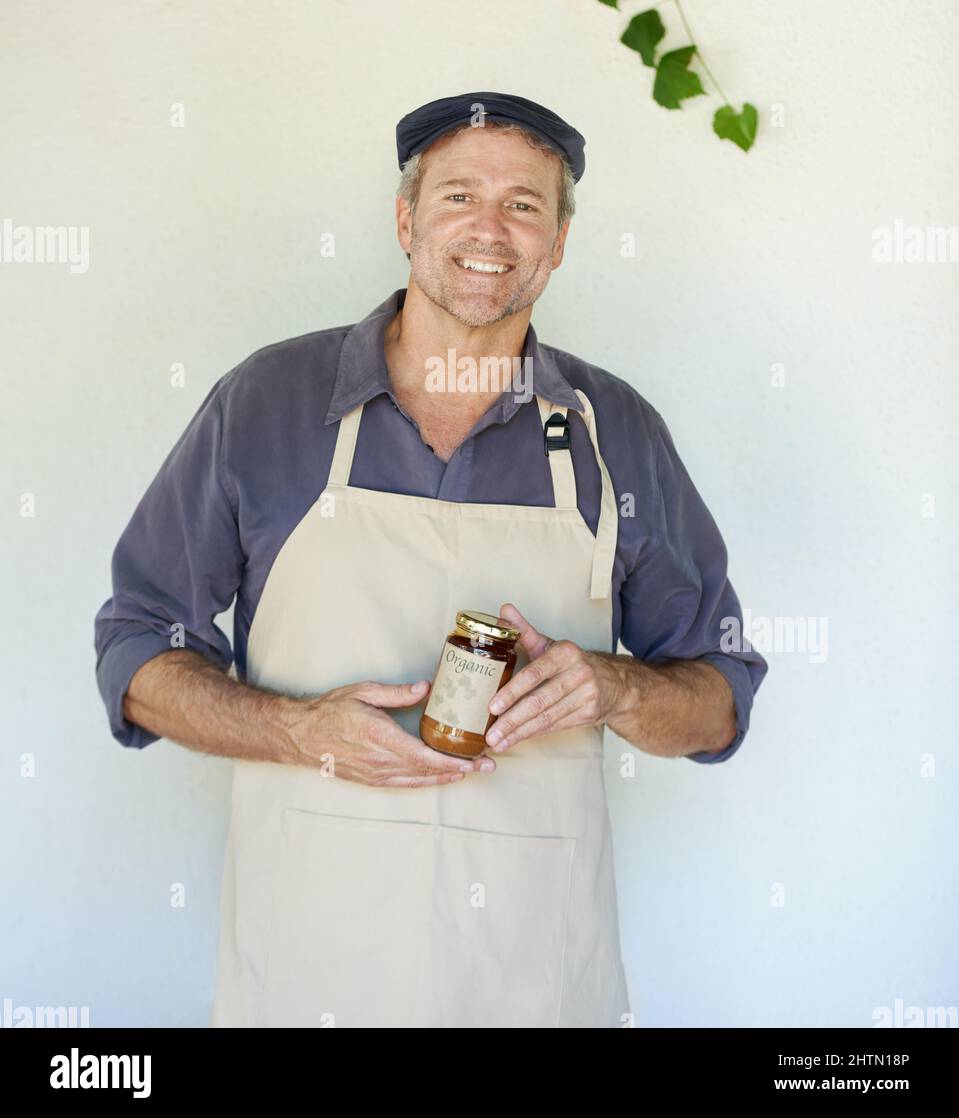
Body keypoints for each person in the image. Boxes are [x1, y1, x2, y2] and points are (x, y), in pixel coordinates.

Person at [94, 90, 768, 1029]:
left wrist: (614, 688)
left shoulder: (615, 432)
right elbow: (135, 650)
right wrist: (294, 729)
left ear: (558, 242)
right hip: (308, 980)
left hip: (537, 986)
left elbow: (719, 702)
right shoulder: (266, 404)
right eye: (459, 196)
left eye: (524, 204)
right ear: (406, 220)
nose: (490, 229)